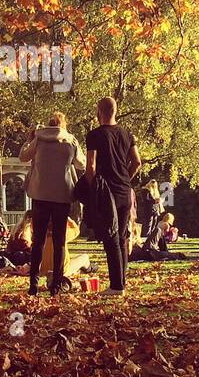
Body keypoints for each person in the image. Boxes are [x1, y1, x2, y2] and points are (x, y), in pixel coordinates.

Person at [20, 112, 86, 296]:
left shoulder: (39, 139)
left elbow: (23, 157)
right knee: (59, 242)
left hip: (40, 194)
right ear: (64, 124)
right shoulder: (70, 140)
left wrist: (29, 139)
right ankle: (56, 285)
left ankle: (33, 285)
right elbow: (81, 164)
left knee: (38, 241)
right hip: (62, 195)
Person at [85, 97, 142, 295]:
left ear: (99, 112)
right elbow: (137, 162)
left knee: (111, 237)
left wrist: (92, 187)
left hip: (107, 191)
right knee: (123, 236)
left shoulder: (94, 135)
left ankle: (117, 286)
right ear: (115, 111)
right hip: (125, 191)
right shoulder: (127, 134)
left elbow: (91, 166)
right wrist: (125, 176)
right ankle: (122, 282)